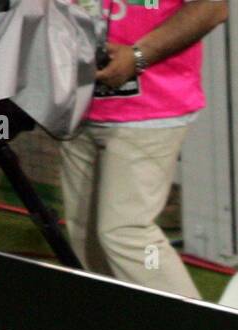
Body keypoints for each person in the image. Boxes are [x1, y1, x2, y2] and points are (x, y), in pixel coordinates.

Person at [61, 0, 227, 298]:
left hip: (151, 107)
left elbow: (213, 7)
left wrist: (138, 56)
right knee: (83, 232)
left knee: (126, 232)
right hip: (77, 103)